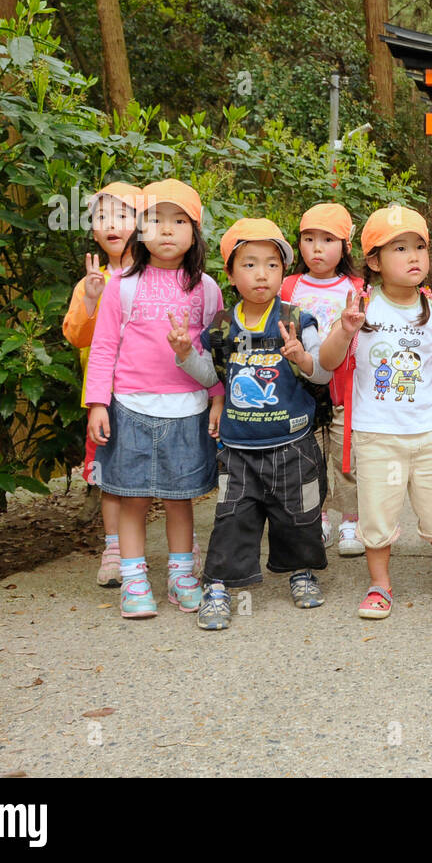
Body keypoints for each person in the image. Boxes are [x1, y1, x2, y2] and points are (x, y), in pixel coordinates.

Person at [174, 219, 332, 629]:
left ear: (283, 271)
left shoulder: (299, 319)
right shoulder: (223, 325)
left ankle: (301, 571)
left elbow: (322, 375)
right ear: (229, 273)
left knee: (300, 515)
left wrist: (300, 357)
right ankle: (219, 586)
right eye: (249, 264)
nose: (261, 274)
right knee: (232, 518)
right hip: (239, 447)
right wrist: (182, 354)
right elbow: (212, 378)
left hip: (293, 441)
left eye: (271, 264)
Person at [317, 206, 432, 618]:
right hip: (375, 433)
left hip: (430, 432)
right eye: (399, 248)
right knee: (377, 514)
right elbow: (329, 361)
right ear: (374, 261)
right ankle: (380, 585)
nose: (414, 256)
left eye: (419, 247)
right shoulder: (360, 306)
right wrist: (345, 329)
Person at [84, 179, 224, 618]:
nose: (166, 230)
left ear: (195, 232)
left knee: (181, 499)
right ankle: (134, 579)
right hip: (130, 407)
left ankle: (182, 578)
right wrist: (98, 403)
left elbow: (214, 352)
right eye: (154, 220)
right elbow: (104, 346)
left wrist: (217, 398)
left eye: (178, 220)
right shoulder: (121, 284)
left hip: (187, 410)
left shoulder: (207, 289)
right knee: (132, 498)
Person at [62, 181, 141, 588]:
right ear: (93, 229)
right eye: (102, 217)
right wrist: (91, 299)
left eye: (124, 215)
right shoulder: (90, 281)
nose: (112, 224)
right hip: (104, 398)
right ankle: (114, 547)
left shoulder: (156, 276)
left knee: (160, 467)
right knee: (109, 473)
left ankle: (185, 546)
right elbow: (75, 335)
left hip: (149, 393)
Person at [280, 202, 364, 556]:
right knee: (309, 454)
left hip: (345, 384)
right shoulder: (287, 285)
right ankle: (318, 518)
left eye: (327, 239)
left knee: (348, 454)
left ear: (345, 245)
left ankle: (351, 520)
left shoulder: (358, 286)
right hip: (299, 385)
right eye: (309, 238)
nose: (317, 248)